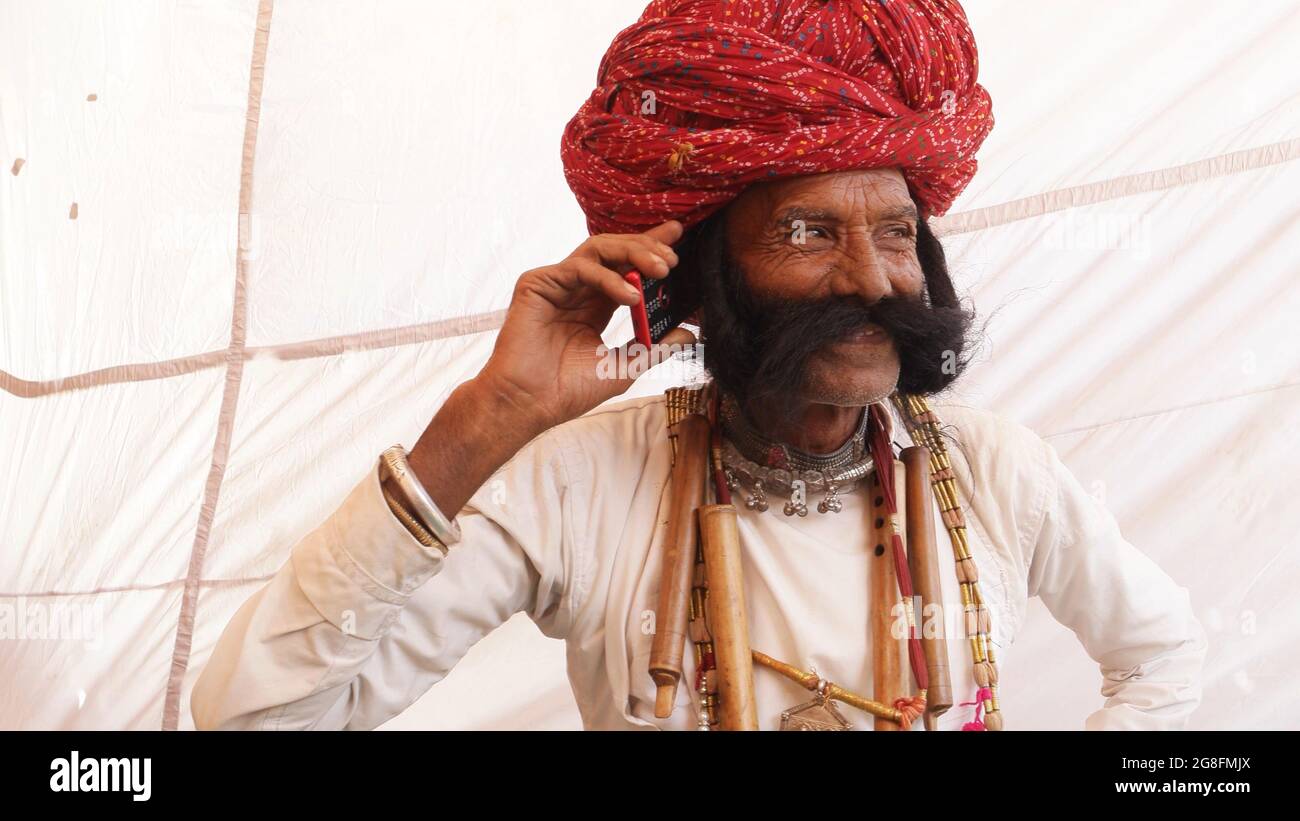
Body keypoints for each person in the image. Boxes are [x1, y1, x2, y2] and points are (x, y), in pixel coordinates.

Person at [192, 0, 1206, 731]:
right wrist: (488, 418)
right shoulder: (576, 481)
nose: (869, 277)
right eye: (808, 232)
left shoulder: (995, 470)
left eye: (896, 233)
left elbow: (1164, 660)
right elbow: (254, 719)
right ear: (710, 274)